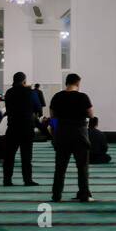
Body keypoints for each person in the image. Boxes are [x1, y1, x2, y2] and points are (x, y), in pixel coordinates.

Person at [49, 73, 94, 202]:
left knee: (60, 168)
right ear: (78, 83)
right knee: (82, 167)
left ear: (66, 82)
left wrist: (54, 133)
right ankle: (84, 195)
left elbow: (52, 117)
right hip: (79, 135)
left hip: (62, 134)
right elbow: (91, 115)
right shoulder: (83, 97)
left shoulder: (57, 97)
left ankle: (56, 195)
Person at [1, 72, 40, 186]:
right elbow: (38, 106)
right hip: (27, 128)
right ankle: (27, 180)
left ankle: (7, 180)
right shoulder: (30, 92)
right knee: (26, 156)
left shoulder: (9, 92)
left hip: (12, 127)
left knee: (9, 156)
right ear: (24, 81)